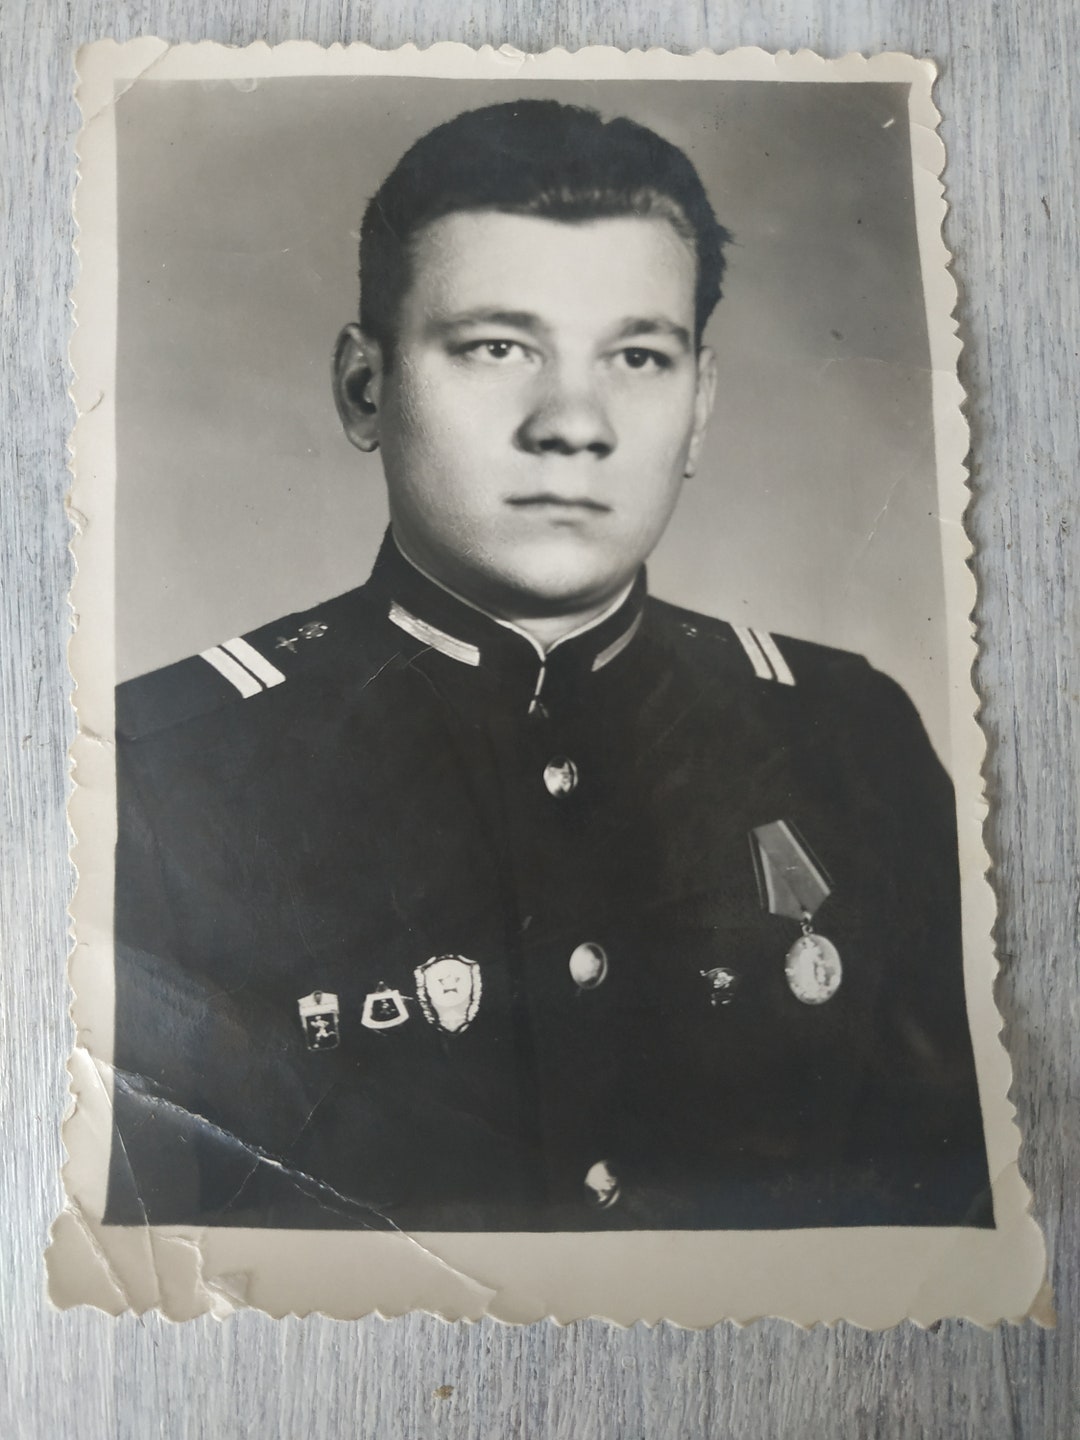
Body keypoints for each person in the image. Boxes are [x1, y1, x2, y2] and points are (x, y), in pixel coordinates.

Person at [105, 100, 992, 1232]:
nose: (574, 422)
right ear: (364, 388)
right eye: (496, 347)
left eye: (636, 356)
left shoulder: (850, 735)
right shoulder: (162, 777)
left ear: (701, 406)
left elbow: (967, 1220)